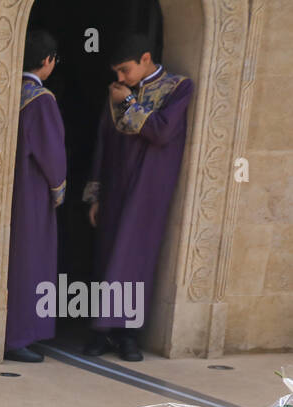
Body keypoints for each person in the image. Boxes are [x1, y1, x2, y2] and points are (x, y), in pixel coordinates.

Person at [82, 33, 193, 362]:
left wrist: (129, 102)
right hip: (116, 185)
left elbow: (161, 131)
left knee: (137, 260)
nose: (119, 78)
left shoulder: (178, 87)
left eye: (125, 69)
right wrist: (96, 194)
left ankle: (127, 335)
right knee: (106, 257)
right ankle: (99, 332)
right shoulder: (117, 92)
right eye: (116, 72)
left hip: (150, 188)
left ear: (146, 58)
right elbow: (104, 139)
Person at [5, 29, 66, 363]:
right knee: (29, 261)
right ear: (48, 61)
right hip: (31, 190)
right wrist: (59, 189)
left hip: (8, 189)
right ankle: (18, 335)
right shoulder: (41, 99)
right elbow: (51, 153)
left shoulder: (8, 91)